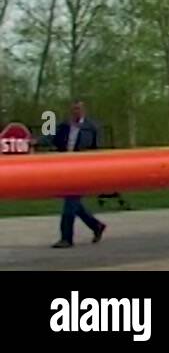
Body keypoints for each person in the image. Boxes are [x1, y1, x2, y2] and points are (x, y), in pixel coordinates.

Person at [50, 101, 106, 248]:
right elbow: (51, 139)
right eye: (73, 109)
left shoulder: (92, 127)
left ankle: (66, 238)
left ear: (83, 110)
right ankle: (96, 226)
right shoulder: (64, 126)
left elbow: (98, 150)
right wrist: (34, 141)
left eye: (78, 109)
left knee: (70, 203)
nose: (75, 112)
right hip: (65, 168)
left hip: (83, 170)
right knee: (74, 204)